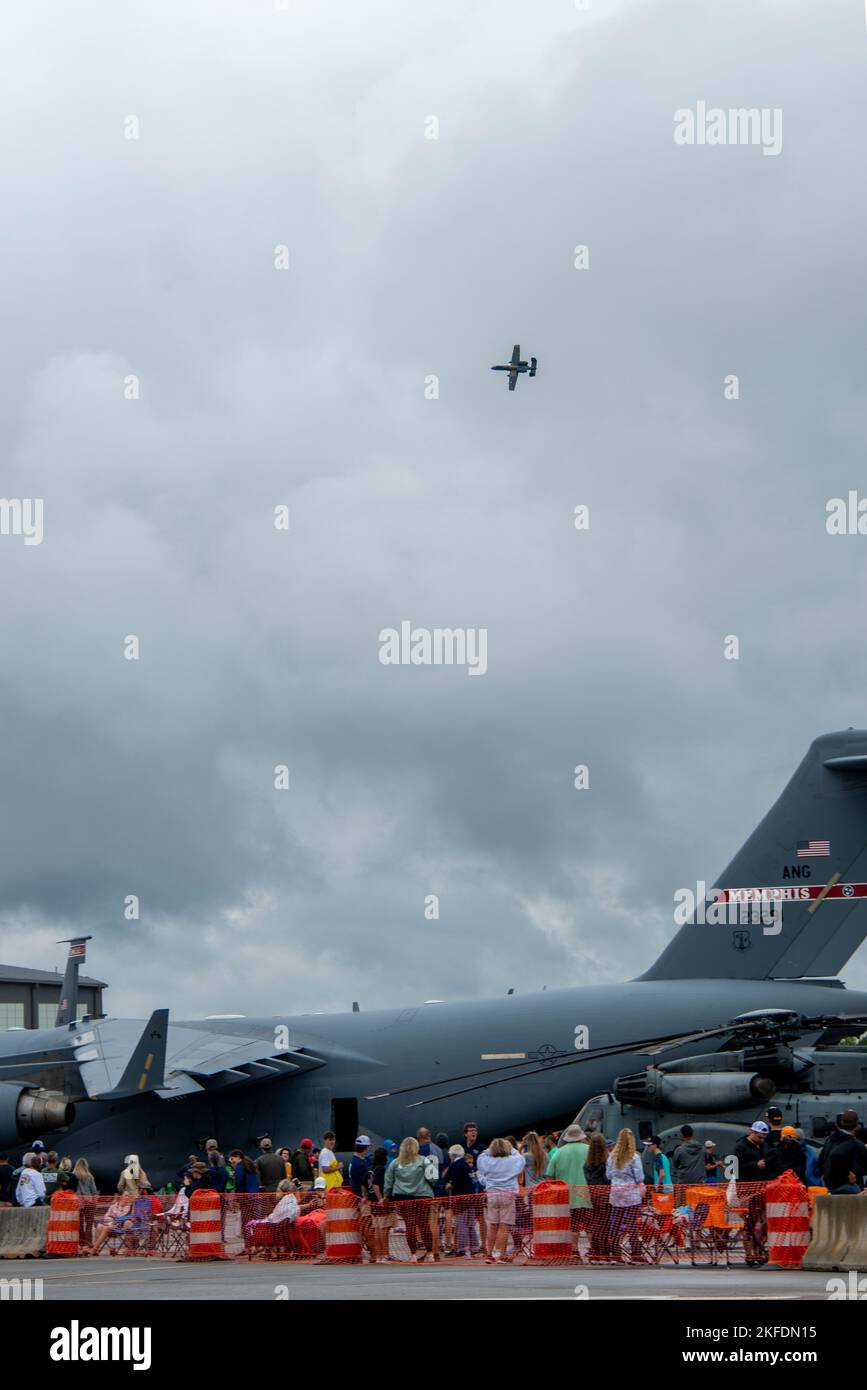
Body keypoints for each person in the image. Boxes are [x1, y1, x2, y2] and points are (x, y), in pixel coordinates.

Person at [383, 1136, 437, 1260]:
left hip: (403, 1197)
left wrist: (387, 1195)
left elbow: (388, 1180)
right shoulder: (424, 1160)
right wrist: (430, 1185)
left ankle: (413, 1254)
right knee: (424, 1224)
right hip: (422, 1195)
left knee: (410, 1225)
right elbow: (433, 1177)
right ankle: (430, 1253)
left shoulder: (395, 1163)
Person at [477, 1138, 526, 1263]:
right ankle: (501, 1254)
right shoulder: (512, 1160)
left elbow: (481, 1157)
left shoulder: (487, 1161)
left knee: (493, 1225)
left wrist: (490, 1149)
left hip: (492, 1194)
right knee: (504, 1226)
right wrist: (512, 1148)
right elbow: (521, 1159)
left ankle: (489, 1254)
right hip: (507, 1194)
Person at [544, 1125, 591, 1255]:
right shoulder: (589, 1149)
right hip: (588, 1193)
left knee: (573, 1224)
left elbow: (549, 1175)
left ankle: (574, 1250)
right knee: (590, 1223)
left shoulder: (559, 1152)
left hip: (566, 1195)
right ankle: (594, 1250)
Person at [732, 1121, 771, 1265]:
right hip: (747, 1190)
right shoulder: (740, 1147)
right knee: (749, 1224)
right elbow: (736, 1168)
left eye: (764, 1138)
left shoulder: (765, 1146)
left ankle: (759, 1251)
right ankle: (749, 1254)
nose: (762, 1140)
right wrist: (755, 1165)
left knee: (763, 1223)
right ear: (752, 1132)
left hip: (763, 1189)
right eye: (760, 1137)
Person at [606, 1128, 645, 1263]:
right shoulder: (634, 1157)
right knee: (631, 1223)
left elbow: (608, 1175)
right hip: (631, 1193)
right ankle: (636, 1254)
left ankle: (615, 1253)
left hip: (616, 1192)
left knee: (615, 1223)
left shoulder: (612, 1156)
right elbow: (639, 1177)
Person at [445, 1144, 481, 1258]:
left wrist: (449, 1185)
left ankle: (463, 1248)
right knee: (470, 1224)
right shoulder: (466, 1164)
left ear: (453, 1154)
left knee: (461, 1223)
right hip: (471, 1198)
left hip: (461, 1198)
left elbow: (455, 1181)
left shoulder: (455, 1165)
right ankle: (474, 1246)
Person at [821, 1109, 867, 1194]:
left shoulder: (829, 1141)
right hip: (848, 1185)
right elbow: (836, 1156)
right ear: (857, 1124)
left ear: (841, 1123)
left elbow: (820, 1163)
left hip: (830, 1186)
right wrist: (848, 1173)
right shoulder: (852, 1142)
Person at [584, 1131, 610, 1259]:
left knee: (595, 1223)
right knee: (605, 1224)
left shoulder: (587, 1164)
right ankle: (605, 1251)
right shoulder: (606, 1163)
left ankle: (596, 1250)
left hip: (592, 1195)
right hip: (605, 1195)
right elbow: (607, 1179)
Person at [368, 1146, 396, 1263]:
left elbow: (363, 1184)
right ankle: (385, 1253)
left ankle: (379, 1254)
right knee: (384, 1229)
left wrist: (365, 1196)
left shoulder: (371, 1169)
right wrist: (381, 1199)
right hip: (380, 1202)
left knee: (377, 1228)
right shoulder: (380, 1169)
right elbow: (375, 1185)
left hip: (372, 1202)